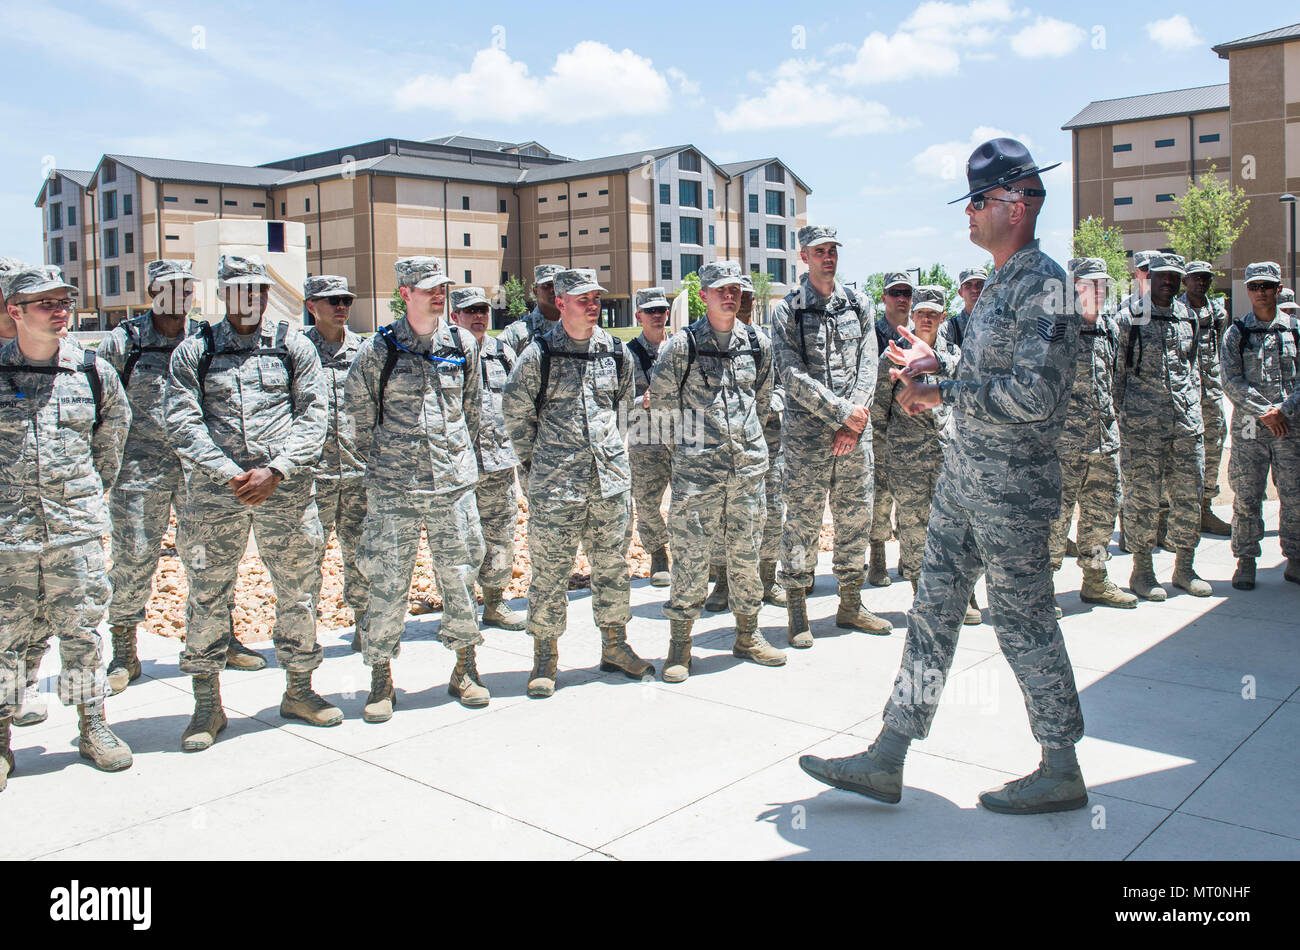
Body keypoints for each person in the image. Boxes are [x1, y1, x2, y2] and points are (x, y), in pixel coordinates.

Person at [801, 138, 1089, 814]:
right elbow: (988, 375)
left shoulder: (1044, 284)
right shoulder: (999, 285)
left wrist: (945, 389)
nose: (968, 214)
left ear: (1015, 205)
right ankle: (889, 752)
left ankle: (1061, 763)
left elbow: (1035, 396)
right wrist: (936, 363)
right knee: (931, 613)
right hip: (966, 482)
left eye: (978, 201)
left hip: (1012, 491)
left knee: (1024, 623)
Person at [166, 254, 337, 751]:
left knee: (299, 591)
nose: (252, 298)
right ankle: (206, 705)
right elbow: (181, 421)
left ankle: (301, 691)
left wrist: (276, 470)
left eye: (259, 289)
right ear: (223, 294)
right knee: (206, 595)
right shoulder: (195, 350)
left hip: (284, 492)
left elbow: (313, 415)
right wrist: (228, 473)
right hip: (214, 496)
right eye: (241, 289)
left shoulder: (294, 346)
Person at [1, 264, 134, 789]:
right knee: (7, 639)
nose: (60, 311)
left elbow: (112, 441)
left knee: (81, 634)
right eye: (45, 303)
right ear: (15, 312)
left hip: (74, 533)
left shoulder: (92, 372)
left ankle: (92, 724)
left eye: (64, 301)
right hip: (9, 536)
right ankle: (3, 736)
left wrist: (80, 499)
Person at [346, 257, 489, 718]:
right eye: (427, 288)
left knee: (462, 576)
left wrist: (458, 460)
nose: (438, 294)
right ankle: (381, 678)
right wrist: (386, 465)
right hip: (395, 488)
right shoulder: (379, 348)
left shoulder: (462, 342)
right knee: (386, 582)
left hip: (452, 484)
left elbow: (472, 409)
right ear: (405, 293)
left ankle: (465, 667)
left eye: (442, 287)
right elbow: (357, 417)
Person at [502, 268, 652, 697]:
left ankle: (615, 646)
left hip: (608, 484)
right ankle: (545, 659)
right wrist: (535, 465)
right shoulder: (540, 354)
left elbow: (623, 407)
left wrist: (608, 453)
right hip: (556, 488)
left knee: (613, 569)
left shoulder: (616, 352)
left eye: (596, 297)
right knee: (550, 574)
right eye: (583, 297)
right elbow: (515, 412)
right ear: (561, 301)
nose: (593, 304)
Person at [649, 261, 782, 681]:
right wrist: (693, 453)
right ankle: (680, 647)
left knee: (745, 555)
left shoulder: (759, 343)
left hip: (746, 472)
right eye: (721, 289)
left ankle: (748, 634)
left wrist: (744, 445)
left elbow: (762, 402)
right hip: (697, 477)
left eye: (736, 289)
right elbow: (664, 413)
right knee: (690, 559)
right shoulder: (681, 346)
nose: (730, 296)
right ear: (702, 295)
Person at [772, 226, 892, 648]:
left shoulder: (858, 303)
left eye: (833, 251)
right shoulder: (788, 310)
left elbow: (868, 363)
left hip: (855, 436)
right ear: (803, 256)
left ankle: (851, 602)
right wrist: (841, 413)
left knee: (855, 517)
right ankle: (797, 609)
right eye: (820, 251)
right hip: (808, 438)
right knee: (803, 521)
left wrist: (853, 421)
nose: (829, 257)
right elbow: (790, 372)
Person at [97, 261, 209, 694]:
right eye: (169, 288)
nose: (179, 296)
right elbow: (100, 406)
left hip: (195, 473)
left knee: (207, 559)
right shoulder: (124, 341)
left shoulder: (203, 339)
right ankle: (124, 652)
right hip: (139, 473)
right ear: (151, 291)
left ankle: (216, 637)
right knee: (133, 560)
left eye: (186, 288)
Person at [1113, 253, 1211, 600]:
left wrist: (1195, 410)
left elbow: (1192, 366)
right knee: (1143, 499)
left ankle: (1185, 568)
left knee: (1188, 495)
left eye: (1175, 277)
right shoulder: (1128, 319)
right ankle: (1143, 571)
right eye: (1163, 275)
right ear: (1149, 276)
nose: (1169, 281)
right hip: (1142, 426)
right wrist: (1123, 417)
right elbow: (1117, 375)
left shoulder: (1190, 318)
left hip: (1185, 424)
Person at [1050, 258, 1135, 611]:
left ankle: (1096, 580)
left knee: (1101, 517)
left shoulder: (1111, 328)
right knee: (1055, 521)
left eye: (1102, 285)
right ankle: (1042, 587)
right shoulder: (1055, 329)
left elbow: (1116, 381)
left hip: (1104, 442)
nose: (1097, 291)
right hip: (1064, 446)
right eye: (1089, 285)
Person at [449, 286, 526, 630]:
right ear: (455, 317)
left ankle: (494, 603)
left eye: (483, 310)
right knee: (458, 541)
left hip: (497, 463)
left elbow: (520, 398)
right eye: (470, 311)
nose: (479, 316)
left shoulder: (502, 352)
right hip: (457, 467)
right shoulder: (445, 352)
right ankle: (460, 612)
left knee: (500, 534)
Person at [1222, 262, 1300, 589]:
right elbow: (1230, 379)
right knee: (1247, 495)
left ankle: (1294, 557)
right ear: (1248, 291)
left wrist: (1284, 409)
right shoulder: (1237, 332)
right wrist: (1266, 410)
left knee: (1294, 494)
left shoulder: (1295, 329)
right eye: (1254, 286)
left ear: (1278, 289)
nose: (1261, 292)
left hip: (1290, 428)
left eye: (1267, 286)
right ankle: (1245, 560)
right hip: (1250, 430)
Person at [300, 276, 369, 648]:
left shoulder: (366, 349)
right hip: (312, 477)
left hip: (359, 473)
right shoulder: (294, 350)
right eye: (332, 301)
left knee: (361, 554)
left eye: (346, 299)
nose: (342, 306)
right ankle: (303, 634)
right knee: (305, 559)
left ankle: (366, 625)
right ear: (312, 306)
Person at [878, 286, 950, 596]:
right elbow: (879, 409)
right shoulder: (893, 357)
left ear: (942, 317)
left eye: (933, 314)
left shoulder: (954, 356)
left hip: (947, 458)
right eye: (921, 313)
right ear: (912, 316)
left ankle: (962, 593)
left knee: (951, 527)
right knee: (914, 529)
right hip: (907, 460)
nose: (926, 319)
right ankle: (921, 594)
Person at [1179, 261, 1233, 537]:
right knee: (1179, 455)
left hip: (1210, 393)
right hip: (1182, 394)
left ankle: (1205, 508)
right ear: (1185, 280)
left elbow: (1220, 350)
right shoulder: (1175, 311)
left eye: (1206, 278)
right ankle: (1173, 515)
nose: (1201, 282)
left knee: (1213, 447)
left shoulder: (1217, 313)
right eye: (1196, 278)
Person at [866, 271, 913, 588]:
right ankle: (878, 557)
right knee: (879, 497)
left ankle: (910, 558)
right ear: (883, 297)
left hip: (911, 429)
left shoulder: (917, 335)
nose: (901, 298)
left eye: (906, 293)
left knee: (911, 498)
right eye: (895, 292)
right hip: (881, 426)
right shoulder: (872, 333)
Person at [625, 287, 674, 588]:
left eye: (661, 310)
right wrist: (639, 402)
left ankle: (693, 556)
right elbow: (613, 401)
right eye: (650, 311)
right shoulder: (627, 354)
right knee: (646, 502)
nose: (657, 316)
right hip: (645, 440)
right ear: (638, 316)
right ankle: (658, 554)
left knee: (691, 501)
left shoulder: (681, 347)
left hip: (682, 435)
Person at [498, 264, 565, 356]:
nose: (553, 290)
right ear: (535, 291)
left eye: (557, 285)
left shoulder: (578, 328)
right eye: (547, 285)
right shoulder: (518, 332)